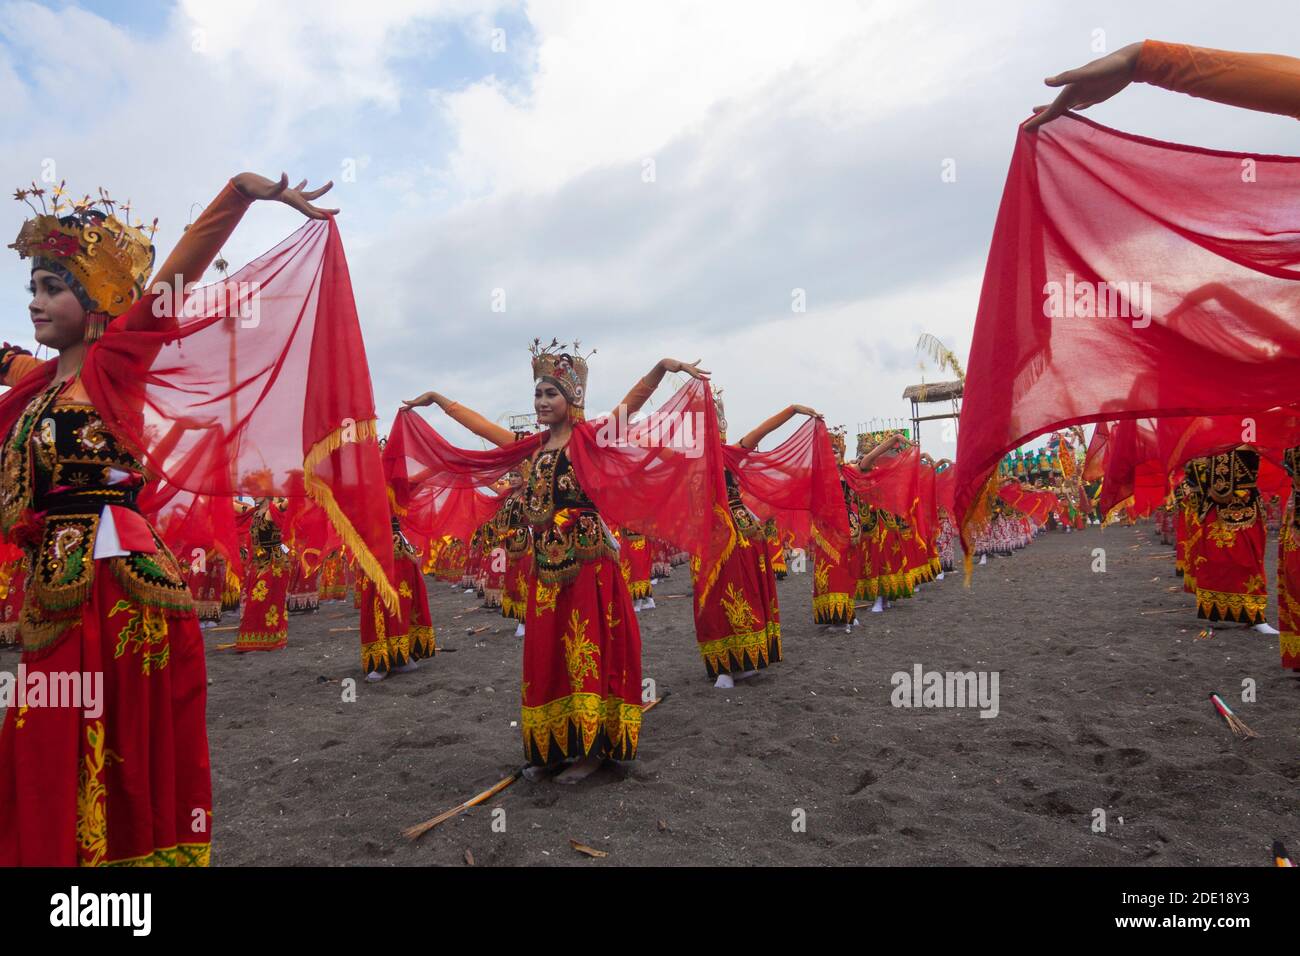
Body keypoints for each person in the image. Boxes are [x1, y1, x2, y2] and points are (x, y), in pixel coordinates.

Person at [0, 170, 335, 865]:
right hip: (58, 586)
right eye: (32, 287)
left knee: (96, 735)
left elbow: (180, 272)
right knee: (49, 731)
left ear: (95, 301)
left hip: (116, 586)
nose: (34, 301)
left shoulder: (119, 360)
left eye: (52, 286)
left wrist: (242, 192)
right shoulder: (36, 382)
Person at [403, 347, 708, 783]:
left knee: (584, 649)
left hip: (587, 563)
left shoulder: (592, 439)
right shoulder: (532, 448)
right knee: (547, 651)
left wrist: (661, 368)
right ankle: (554, 745)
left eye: (551, 394)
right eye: (538, 394)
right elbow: (484, 430)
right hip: (545, 565)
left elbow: (630, 407)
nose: (542, 402)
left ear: (573, 397)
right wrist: (439, 400)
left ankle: (590, 752)